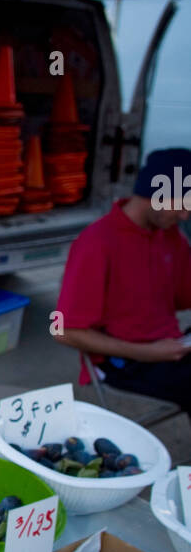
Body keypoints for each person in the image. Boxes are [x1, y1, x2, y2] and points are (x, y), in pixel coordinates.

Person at [54, 146, 191, 415]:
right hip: (127, 362)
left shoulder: (170, 236)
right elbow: (62, 329)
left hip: (170, 347)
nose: (185, 216)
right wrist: (148, 353)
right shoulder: (98, 242)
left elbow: (184, 296)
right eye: (183, 206)